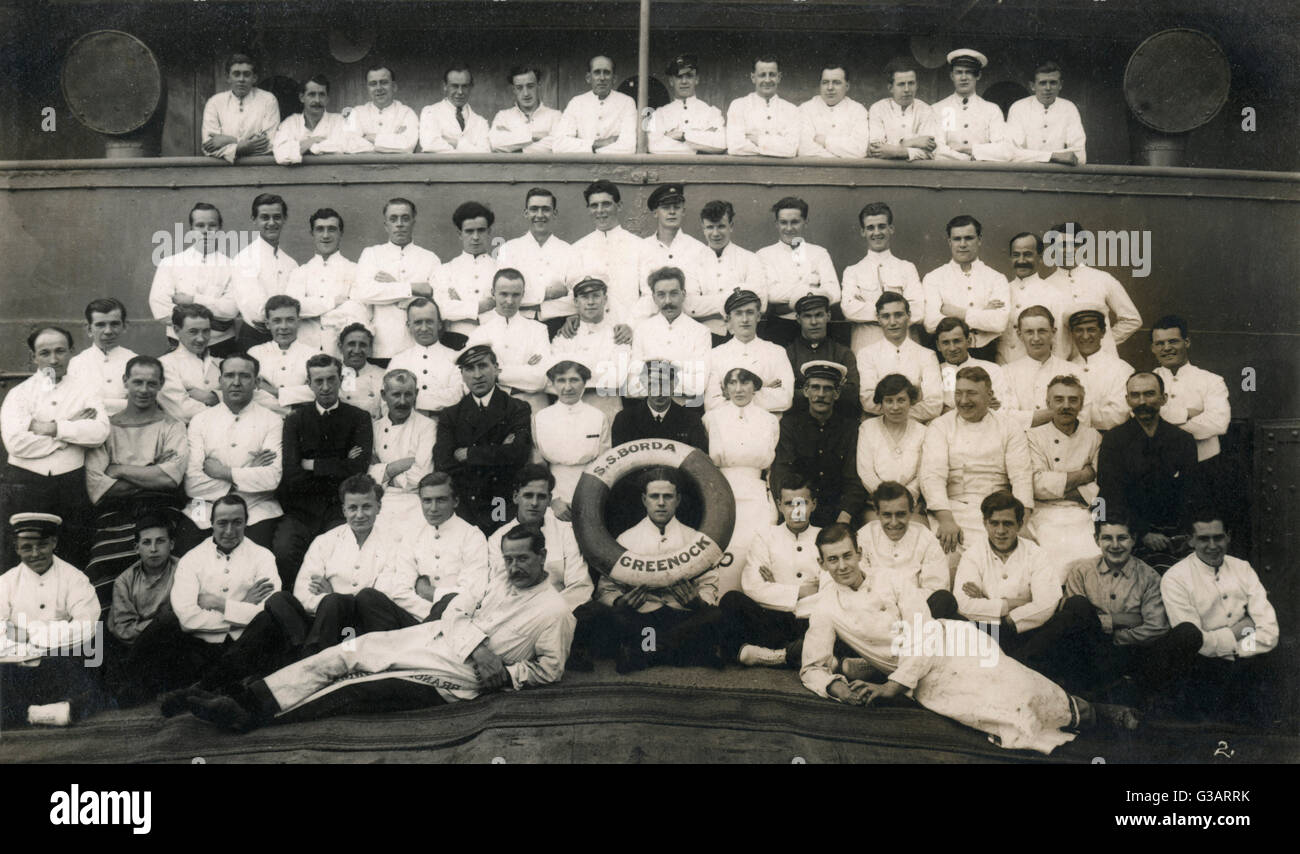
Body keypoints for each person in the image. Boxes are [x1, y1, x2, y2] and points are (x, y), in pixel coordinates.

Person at [181, 525, 574, 733]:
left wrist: (504, 672)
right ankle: (249, 697)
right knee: (345, 653)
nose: (514, 566)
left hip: (453, 676)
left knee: (355, 685)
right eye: (509, 558)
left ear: (542, 556)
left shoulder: (555, 611)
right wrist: (481, 648)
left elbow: (549, 670)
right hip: (431, 639)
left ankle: (251, 717)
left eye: (523, 558)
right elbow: (454, 610)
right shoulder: (498, 579)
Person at [161, 476, 425, 713]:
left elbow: (380, 595)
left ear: (379, 507)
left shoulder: (396, 544)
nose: (359, 515)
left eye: (366, 507)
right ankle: (207, 685)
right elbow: (301, 594)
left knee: (336, 601)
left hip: (356, 635)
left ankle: (297, 665)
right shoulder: (325, 542)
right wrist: (330, 599)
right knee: (279, 601)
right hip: (321, 628)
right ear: (343, 509)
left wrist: (335, 595)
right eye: (352, 507)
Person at [574, 469, 724, 672]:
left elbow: (709, 584)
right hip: (640, 616)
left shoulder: (695, 539)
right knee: (601, 614)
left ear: (678, 499)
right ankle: (682, 652)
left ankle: (648, 651)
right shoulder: (626, 540)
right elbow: (606, 588)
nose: (661, 503)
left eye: (668, 496)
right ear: (645, 500)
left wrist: (698, 602)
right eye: (655, 496)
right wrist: (621, 602)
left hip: (683, 615)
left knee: (717, 615)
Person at [1060, 516, 1201, 705]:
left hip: (1135, 654)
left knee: (1187, 633)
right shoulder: (1081, 572)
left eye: (1122, 538)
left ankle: (1140, 694)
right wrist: (1128, 619)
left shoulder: (1149, 577)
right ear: (1096, 540)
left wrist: (1112, 634)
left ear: (1133, 539)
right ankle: (1098, 693)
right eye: (1107, 538)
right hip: (1094, 654)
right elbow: (1074, 618)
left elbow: (1156, 627)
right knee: (1077, 605)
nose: (1115, 545)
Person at [953, 492, 1092, 681]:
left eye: (1008, 523)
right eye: (994, 523)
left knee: (1075, 608)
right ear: (985, 524)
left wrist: (1003, 614)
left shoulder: (1035, 554)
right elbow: (963, 604)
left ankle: (1015, 666)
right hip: (987, 632)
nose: (1001, 531)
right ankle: (1017, 668)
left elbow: (1047, 602)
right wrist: (1020, 602)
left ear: (1019, 524)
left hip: (1028, 633)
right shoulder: (973, 555)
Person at [1159, 511, 1283, 724]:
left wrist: (1238, 651)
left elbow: (1269, 631)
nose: (1213, 546)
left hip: (1248, 663)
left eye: (1218, 537)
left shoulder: (1242, 568)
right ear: (1190, 540)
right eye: (1203, 539)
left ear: (1228, 536)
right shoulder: (1175, 578)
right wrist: (1240, 630)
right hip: (1203, 670)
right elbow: (1193, 640)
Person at [0, 327, 109, 567]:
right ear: (33, 357)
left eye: (60, 351)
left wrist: (52, 428)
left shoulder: (87, 390)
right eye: (45, 352)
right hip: (25, 485)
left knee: (73, 553)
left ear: (71, 352)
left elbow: (98, 433)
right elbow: (16, 443)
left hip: (71, 485)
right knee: (18, 555)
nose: (53, 359)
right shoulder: (19, 395)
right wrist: (70, 429)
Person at [84, 356, 188, 603]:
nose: (144, 390)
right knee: (102, 564)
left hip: (162, 508)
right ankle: (111, 638)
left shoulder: (172, 426)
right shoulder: (105, 429)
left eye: (151, 383)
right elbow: (98, 486)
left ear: (161, 384)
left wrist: (118, 469)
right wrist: (150, 472)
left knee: (160, 560)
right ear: (125, 382)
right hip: (115, 514)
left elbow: (170, 478)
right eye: (137, 382)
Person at [165, 495, 281, 701]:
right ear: (211, 524)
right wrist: (242, 608)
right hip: (203, 646)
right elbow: (187, 618)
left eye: (237, 522)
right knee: (167, 623)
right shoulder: (192, 559)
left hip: (247, 644)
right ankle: (220, 687)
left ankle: (203, 689)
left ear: (247, 522)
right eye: (222, 523)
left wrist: (220, 604)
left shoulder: (263, 557)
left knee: (269, 623)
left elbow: (267, 611)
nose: (229, 531)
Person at [273, 355, 373, 586]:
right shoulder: (295, 420)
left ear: (340, 380)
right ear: (309, 383)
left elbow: (358, 469)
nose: (326, 387)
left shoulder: (359, 418)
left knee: (342, 558)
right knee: (285, 551)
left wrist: (313, 464)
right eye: (319, 381)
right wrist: (340, 463)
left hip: (340, 509)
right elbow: (292, 475)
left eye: (331, 379)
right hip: (301, 509)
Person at [799, 523, 931, 698]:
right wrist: (837, 688)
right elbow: (812, 668)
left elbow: (925, 634)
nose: (842, 566)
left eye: (847, 556)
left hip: (944, 650)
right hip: (915, 680)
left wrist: (891, 687)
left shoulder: (892, 579)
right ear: (821, 564)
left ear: (859, 553)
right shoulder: (826, 606)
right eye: (833, 559)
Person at [921, 367, 1033, 565]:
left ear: (989, 395)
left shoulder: (1009, 426)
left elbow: (1021, 477)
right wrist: (946, 520)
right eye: (959, 393)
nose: (963, 401)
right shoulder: (940, 426)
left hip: (999, 510)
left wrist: (1022, 522)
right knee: (947, 560)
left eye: (971, 393)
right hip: (953, 509)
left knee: (1020, 557)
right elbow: (932, 477)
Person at [0, 513, 103, 727]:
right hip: (17, 666)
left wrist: (29, 634)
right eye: (27, 547)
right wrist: (58, 629)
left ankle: (22, 713)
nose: (36, 554)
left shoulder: (74, 579)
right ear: (16, 548)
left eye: (42, 545)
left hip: (60, 661)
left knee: (90, 676)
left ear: (54, 542)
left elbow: (87, 625)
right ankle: (41, 713)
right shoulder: (6, 582)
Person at [361, 472, 490, 631]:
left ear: (455, 501)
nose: (433, 508)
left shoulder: (472, 536)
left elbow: (472, 595)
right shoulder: (412, 535)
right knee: (368, 597)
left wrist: (429, 593)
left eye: (441, 500)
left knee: (454, 600)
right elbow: (401, 590)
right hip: (417, 619)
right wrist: (430, 615)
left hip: (456, 622)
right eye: (427, 501)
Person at [181, 353, 282, 553]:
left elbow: (271, 479)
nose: (236, 382)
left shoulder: (272, 421)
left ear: (256, 382)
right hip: (202, 506)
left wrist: (223, 472)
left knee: (257, 554)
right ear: (220, 381)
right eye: (229, 375)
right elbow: (193, 484)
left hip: (256, 507)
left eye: (244, 376)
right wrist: (248, 472)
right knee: (187, 547)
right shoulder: (200, 421)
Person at [1097, 372, 1200, 569]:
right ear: (1127, 400)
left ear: (1164, 398)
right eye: (1135, 395)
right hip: (1130, 526)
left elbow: (1191, 491)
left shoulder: (1182, 439)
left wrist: (1185, 535)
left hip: (1174, 528)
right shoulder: (1114, 440)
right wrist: (1142, 533)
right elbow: (1111, 494)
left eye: (1149, 394)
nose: (1142, 401)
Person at [719, 475, 823, 668]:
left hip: (811, 620)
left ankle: (777, 655)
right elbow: (752, 586)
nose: (796, 510)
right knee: (731, 600)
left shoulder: (824, 537)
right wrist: (800, 591)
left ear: (814, 504)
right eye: (789, 504)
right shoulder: (766, 537)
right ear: (780, 505)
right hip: (775, 621)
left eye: (803, 503)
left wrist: (776, 587)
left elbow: (830, 589)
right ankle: (796, 654)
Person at [433, 345, 533, 534]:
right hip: (466, 502)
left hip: (501, 499)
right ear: (461, 374)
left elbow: (519, 454)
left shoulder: (516, 408)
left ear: (496, 368)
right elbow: (444, 463)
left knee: (501, 544)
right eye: (470, 369)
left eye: (483, 366)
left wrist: (470, 454)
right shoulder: (451, 415)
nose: (477, 375)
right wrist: (499, 452)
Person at [703, 367, 779, 590]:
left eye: (745, 383)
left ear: (754, 387)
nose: (739, 389)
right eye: (732, 383)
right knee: (726, 550)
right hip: (722, 493)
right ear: (725, 389)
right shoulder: (711, 419)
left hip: (756, 494)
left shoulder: (769, 420)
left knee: (753, 548)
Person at [771, 361, 866, 528]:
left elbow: (855, 478)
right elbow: (782, 472)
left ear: (837, 393)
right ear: (806, 391)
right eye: (815, 387)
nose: (821, 394)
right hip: (799, 510)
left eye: (828, 388)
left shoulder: (850, 428)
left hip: (839, 513)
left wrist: (845, 516)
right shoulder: (790, 425)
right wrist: (796, 514)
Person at [486, 465, 594, 612]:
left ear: (550, 499)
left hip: (562, 611)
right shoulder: (497, 539)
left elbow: (580, 586)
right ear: (516, 497)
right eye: (528, 495)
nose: (535, 503)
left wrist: (546, 613)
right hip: (518, 614)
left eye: (541, 496)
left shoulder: (565, 532)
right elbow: (501, 588)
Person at [105, 515, 182, 706]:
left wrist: (163, 624)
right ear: (136, 547)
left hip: (176, 645)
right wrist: (157, 625)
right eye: (146, 542)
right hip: (137, 649)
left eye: (160, 541)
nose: (154, 549)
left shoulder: (184, 569)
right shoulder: (125, 581)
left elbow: (188, 616)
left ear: (171, 544)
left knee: (172, 625)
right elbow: (123, 630)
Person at [1026, 375, 1102, 566]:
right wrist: (1084, 475)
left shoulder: (1094, 437)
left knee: (1094, 555)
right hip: (1044, 515)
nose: (1066, 406)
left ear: (1082, 404)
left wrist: (1056, 487)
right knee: (1046, 559)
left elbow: (1102, 487)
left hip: (1084, 512)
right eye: (1059, 399)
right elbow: (1036, 485)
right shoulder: (1033, 436)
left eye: (1073, 400)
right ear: (1048, 403)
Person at [352, 198, 442, 361]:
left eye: (405, 218)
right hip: (382, 347)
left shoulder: (430, 258)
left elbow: (435, 301)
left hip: (418, 349)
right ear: (386, 225)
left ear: (413, 222)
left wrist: (392, 287)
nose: (399, 224)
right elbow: (364, 293)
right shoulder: (371, 254)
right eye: (393, 219)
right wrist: (413, 289)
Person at [149, 203, 239, 356]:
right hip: (180, 345)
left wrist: (191, 300)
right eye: (200, 225)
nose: (206, 231)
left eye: (212, 225)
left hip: (221, 347)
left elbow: (231, 309)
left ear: (220, 229)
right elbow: (160, 308)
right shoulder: (170, 263)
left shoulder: (233, 266)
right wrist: (215, 320)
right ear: (191, 229)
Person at [1042, 225, 1142, 359]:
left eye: (1075, 244)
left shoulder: (1102, 278)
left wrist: (1105, 342)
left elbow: (1132, 319)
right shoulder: (1045, 286)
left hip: (1103, 361)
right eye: (1063, 245)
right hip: (1065, 362)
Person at [922, 215, 1009, 362]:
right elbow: (931, 324)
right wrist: (982, 314)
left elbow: (999, 322)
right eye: (957, 239)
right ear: (949, 242)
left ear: (979, 239)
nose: (962, 244)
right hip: (947, 355)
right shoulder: (933, 278)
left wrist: (958, 313)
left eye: (969, 238)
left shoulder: (996, 278)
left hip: (986, 353)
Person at [840, 202, 924, 353]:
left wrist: (868, 309)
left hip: (905, 347)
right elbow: (849, 309)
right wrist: (898, 312)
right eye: (870, 228)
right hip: (866, 345)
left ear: (891, 229)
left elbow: (918, 310)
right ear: (862, 232)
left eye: (882, 226)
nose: (876, 232)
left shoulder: (907, 268)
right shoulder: (852, 271)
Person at [757, 197, 841, 345]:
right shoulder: (764, 255)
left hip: (817, 328)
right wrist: (812, 287)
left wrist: (787, 296)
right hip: (780, 328)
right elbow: (770, 294)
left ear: (805, 222)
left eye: (795, 222)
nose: (789, 228)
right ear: (776, 224)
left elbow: (835, 292)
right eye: (783, 222)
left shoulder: (819, 253)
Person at [467, 269, 552, 413]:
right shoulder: (478, 334)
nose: (509, 301)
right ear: (493, 293)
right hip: (494, 409)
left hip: (534, 408)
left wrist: (494, 372)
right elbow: (476, 378)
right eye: (504, 294)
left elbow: (541, 378)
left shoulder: (538, 330)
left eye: (515, 295)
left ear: (523, 294)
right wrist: (525, 369)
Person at [532, 360, 610, 516]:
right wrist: (552, 499)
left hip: (590, 492)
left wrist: (590, 498)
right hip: (553, 495)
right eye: (561, 380)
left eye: (574, 380)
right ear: (552, 383)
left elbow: (604, 463)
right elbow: (538, 465)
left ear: (584, 382)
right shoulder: (541, 418)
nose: (567, 387)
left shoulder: (598, 417)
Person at [286, 208, 367, 357]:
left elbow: (358, 311)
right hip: (304, 351)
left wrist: (312, 309)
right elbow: (293, 309)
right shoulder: (299, 272)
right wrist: (333, 302)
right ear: (312, 233)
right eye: (319, 229)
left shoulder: (355, 270)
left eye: (331, 229)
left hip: (341, 352)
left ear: (340, 233)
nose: (325, 235)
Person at [1150, 314, 1231, 464]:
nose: (1167, 348)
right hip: (1158, 464)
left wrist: (1161, 425)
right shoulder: (1146, 381)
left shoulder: (1212, 381)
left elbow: (1218, 423)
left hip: (1202, 464)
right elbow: (1138, 416)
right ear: (1153, 348)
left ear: (1186, 342)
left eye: (1173, 341)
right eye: (1160, 343)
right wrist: (1186, 414)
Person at [496, 188, 575, 334]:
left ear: (554, 213)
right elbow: (504, 294)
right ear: (526, 213)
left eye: (545, 209)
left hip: (560, 327)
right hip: (517, 325)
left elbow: (575, 299)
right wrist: (547, 294)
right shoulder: (508, 249)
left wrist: (531, 304)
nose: (539, 215)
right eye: (534, 209)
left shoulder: (569, 251)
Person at [628, 266, 712, 403]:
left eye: (673, 294)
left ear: (683, 294)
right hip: (647, 410)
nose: (668, 301)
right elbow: (633, 384)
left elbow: (698, 385)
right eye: (661, 295)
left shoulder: (700, 332)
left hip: (685, 411)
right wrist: (677, 378)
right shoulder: (642, 330)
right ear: (654, 298)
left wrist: (654, 380)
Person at [550, 277, 629, 422]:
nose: (591, 302)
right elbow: (552, 376)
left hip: (606, 408)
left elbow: (618, 378)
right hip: (569, 411)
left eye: (596, 296)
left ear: (605, 300)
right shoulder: (565, 336)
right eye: (585, 297)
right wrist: (600, 370)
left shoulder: (617, 334)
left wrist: (572, 372)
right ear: (576, 302)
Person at [857, 292, 943, 422]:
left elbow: (934, 404)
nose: (892, 322)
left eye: (898, 315)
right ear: (878, 319)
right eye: (886, 316)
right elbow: (868, 399)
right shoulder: (866, 355)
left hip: (918, 427)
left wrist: (893, 412)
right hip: (880, 427)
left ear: (908, 316)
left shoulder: (926, 355)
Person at [633, 184, 713, 322]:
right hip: (649, 327)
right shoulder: (641, 248)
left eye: (676, 207)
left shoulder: (699, 249)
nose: (672, 212)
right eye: (665, 208)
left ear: (683, 211)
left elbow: (707, 294)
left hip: (689, 327)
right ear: (655, 212)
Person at [705, 290, 794, 412]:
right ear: (729, 319)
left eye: (750, 312)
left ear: (758, 316)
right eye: (738, 313)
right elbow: (712, 403)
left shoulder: (776, 352)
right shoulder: (715, 355)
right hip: (727, 425)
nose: (745, 319)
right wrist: (762, 390)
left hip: (766, 426)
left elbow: (785, 399)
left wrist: (730, 395)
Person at [692, 200, 769, 342]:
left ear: (731, 226)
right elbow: (691, 307)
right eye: (710, 227)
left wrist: (709, 306)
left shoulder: (750, 259)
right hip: (705, 337)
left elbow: (761, 303)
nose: (715, 233)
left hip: (743, 336)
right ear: (703, 228)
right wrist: (737, 300)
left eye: (721, 226)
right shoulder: (693, 261)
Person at [368, 370, 434, 531]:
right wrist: (398, 466)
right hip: (377, 501)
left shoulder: (428, 427)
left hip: (414, 503)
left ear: (416, 394)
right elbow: (365, 474)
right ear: (384, 395)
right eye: (396, 394)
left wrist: (383, 473)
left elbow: (422, 476)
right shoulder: (373, 429)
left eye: (408, 394)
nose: (402, 401)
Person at [568, 181, 643, 323]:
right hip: (592, 331)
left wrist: (631, 325)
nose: (600, 210)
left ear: (619, 206)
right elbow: (573, 294)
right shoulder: (577, 249)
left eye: (606, 204)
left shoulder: (639, 246)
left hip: (630, 329)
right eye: (594, 205)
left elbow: (648, 294)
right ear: (588, 209)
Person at [232, 194, 298, 350]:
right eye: (264, 217)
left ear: (284, 219)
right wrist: (283, 320)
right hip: (255, 338)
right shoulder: (244, 259)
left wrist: (277, 321)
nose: (271, 223)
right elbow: (256, 313)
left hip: (287, 339)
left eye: (277, 217)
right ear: (254, 219)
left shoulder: (291, 263)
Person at [856, 482, 948, 595]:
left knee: (944, 598)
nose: (894, 523)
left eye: (901, 514)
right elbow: (859, 584)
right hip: (876, 607)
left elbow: (935, 588)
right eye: (887, 515)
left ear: (911, 511)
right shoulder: (864, 536)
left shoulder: (926, 539)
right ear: (877, 513)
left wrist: (906, 603)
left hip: (917, 608)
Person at [857, 374, 928, 513]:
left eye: (901, 400)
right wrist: (885, 499)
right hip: (875, 503)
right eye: (889, 401)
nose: (895, 407)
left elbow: (922, 474)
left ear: (911, 402)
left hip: (911, 504)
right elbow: (866, 472)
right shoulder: (868, 428)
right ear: (881, 403)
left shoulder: (923, 432)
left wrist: (906, 499)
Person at [785, 294, 861, 419]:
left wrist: (804, 390)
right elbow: (787, 395)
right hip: (799, 424)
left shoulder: (843, 353)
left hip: (837, 422)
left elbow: (852, 395)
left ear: (828, 316)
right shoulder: (788, 354)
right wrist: (834, 388)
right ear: (798, 319)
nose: (814, 322)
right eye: (807, 316)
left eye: (819, 315)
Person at [1001, 305, 1076, 431]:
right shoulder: (1006, 372)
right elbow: (1004, 418)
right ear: (1020, 335)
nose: (1036, 338)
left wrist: (1026, 418)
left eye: (1042, 331)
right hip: (1021, 445)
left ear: (1053, 332)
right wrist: (1056, 413)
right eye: (1029, 332)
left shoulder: (1072, 370)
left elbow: (1081, 416)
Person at [386, 298, 464, 419]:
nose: (424, 328)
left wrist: (411, 399)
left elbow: (456, 396)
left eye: (429, 322)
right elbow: (387, 400)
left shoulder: (455, 357)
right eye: (418, 322)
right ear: (409, 326)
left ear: (439, 324)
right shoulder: (398, 361)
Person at [434, 201, 500, 337]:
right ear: (460, 234)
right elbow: (442, 310)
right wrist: (481, 307)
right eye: (469, 231)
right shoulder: (445, 270)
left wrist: (461, 307)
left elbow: (506, 310)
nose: (475, 237)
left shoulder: (501, 269)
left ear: (489, 231)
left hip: (494, 341)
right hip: (455, 342)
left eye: (481, 230)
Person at [931, 49, 1009, 161]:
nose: (963, 78)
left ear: (978, 75)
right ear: (952, 76)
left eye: (969, 72)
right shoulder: (938, 109)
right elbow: (937, 148)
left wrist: (970, 150)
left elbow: (1003, 150)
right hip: (949, 173)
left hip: (983, 172)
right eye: (959, 72)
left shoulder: (991, 110)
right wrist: (966, 158)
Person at [271, 74, 368, 165]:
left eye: (321, 94)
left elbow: (354, 146)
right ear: (302, 97)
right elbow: (281, 155)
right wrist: (312, 141)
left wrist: (308, 147)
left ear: (327, 98)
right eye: (312, 94)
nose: (317, 100)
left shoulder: (339, 121)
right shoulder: (291, 123)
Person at [611, 360, 708, 449]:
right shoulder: (625, 420)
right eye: (652, 385)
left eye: (665, 384)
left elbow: (699, 463)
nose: (659, 392)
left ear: (675, 383)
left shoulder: (691, 421)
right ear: (643, 383)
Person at [201, 53, 279, 163]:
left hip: (259, 168)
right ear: (228, 77)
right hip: (224, 171)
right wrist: (245, 146)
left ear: (254, 78)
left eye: (246, 74)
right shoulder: (215, 102)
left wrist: (229, 140)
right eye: (236, 74)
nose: (241, 79)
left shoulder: (268, 100)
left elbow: (269, 144)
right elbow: (208, 147)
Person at [1005, 62, 1087, 165]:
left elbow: (1080, 155)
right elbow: (1010, 154)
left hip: (1059, 175)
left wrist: (1030, 156)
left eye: (1053, 82)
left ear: (1060, 85)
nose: (1048, 88)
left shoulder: (1069, 108)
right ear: (1032, 86)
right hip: (1025, 174)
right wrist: (1053, 156)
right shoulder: (1018, 108)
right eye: (1042, 83)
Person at [998, 232, 1062, 364]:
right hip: (1001, 370)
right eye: (1016, 255)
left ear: (1040, 257)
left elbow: (1061, 344)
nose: (1021, 261)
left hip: (1040, 371)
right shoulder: (1000, 291)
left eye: (1027, 254)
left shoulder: (1053, 294)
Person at [1066, 306, 1133, 431]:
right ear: (1072, 333)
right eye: (1079, 330)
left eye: (1091, 330)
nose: (1085, 336)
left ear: (1102, 332)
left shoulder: (1122, 369)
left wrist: (1074, 414)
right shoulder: (1065, 367)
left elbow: (1118, 416)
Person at [246, 295, 316, 415]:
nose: (283, 327)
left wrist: (273, 391)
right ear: (268, 324)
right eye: (277, 321)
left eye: (290, 320)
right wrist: (291, 408)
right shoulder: (255, 353)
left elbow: (316, 392)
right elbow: (253, 393)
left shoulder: (314, 355)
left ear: (298, 322)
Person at [553, 55, 636, 154]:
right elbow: (558, 145)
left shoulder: (626, 102)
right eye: (597, 72)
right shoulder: (576, 103)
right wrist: (596, 144)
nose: (602, 78)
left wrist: (582, 148)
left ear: (614, 78)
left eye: (607, 73)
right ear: (588, 78)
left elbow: (628, 147)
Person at [67, 298, 136, 416]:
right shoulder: (75, 364)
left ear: (124, 326)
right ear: (89, 329)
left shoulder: (136, 362)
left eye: (114, 324)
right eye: (100, 325)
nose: (108, 331)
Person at [648, 54, 727, 154]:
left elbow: (722, 143)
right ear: (671, 81)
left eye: (689, 76)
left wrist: (683, 135)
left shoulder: (711, 112)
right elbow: (654, 146)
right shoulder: (659, 114)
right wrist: (700, 146)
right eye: (679, 77)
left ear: (696, 79)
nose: (684, 81)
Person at [157, 305, 223, 424]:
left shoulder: (221, 363)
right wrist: (227, 407)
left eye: (206, 331)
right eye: (193, 332)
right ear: (177, 330)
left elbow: (250, 398)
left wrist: (214, 397)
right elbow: (182, 412)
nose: (201, 339)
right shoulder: (165, 364)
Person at [726, 56, 800, 157]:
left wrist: (757, 140)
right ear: (753, 78)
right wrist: (777, 148)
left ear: (779, 77)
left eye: (772, 75)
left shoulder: (791, 110)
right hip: (747, 171)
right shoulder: (738, 106)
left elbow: (791, 150)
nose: (767, 80)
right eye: (762, 75)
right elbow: (735, 147)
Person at [934, 316, 1011, 413]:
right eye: (946, 343)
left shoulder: (992, 369)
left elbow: (1002, 406)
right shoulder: (934, 372)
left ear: (969, 341)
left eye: (957, 341)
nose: (952, 348)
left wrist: (948, 409)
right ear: (938, 346)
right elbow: (933, 409)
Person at [867, 61, 938, 161]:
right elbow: (876, 149)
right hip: (884, 172)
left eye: (911, 83)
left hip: (918, 173)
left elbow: (930, 153)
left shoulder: (926, 110)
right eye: (901, 84)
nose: (907, 89)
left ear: (917, 85)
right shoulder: (878, 109)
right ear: (890, 88)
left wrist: (892, 150)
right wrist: (911, 143)